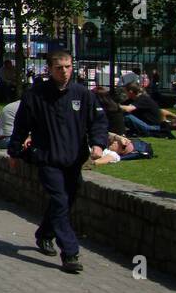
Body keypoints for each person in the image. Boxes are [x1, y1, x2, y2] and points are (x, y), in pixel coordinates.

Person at [7, 50, 108, 274]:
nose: (64, 71)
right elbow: (21, 125)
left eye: (68, 67)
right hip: (47, 158)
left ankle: (44, 234)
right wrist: (14, 151)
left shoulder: (83, 94)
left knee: (66, 201)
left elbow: (98, 122)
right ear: (49, 69)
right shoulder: (35, 95)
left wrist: (98, 144)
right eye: (59, 68)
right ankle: (70, 253)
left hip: (73, 159)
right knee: (60, 200)